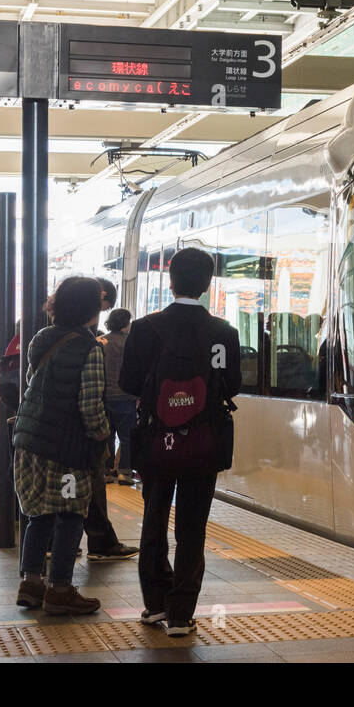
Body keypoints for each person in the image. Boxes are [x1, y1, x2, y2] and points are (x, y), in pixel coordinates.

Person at [121, 247, 241, 637]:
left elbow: (128, 383)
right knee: (193, 526)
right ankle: (181, 614)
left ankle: (155, 604)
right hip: (204, 441)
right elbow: (232, 384)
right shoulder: (224, 331)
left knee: (154, 518)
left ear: (170, 281)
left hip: (157, 438)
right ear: (207, 285)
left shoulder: (144, 328)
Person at [11, 277, 113, 615]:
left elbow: (32, 383)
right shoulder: (90, 348)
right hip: (65, 451)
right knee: (70, 515)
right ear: (92, 308)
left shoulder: (41, 338)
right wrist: (103, 437)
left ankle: (31, 582)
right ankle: (60, 589)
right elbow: (90, 405)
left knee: (38, 513)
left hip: (29, 442)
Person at [80, 278, 139, 561]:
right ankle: (125, 472)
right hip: (120, 400)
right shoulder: (91, 343)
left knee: (93, 480)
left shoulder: (98, 341)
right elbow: (91, 397)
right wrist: (98, 430)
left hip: (105, 402)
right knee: (124, 439)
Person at [101, 308, 137, 486]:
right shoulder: (132, 342)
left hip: (105, 396)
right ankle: (124, 473)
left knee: (107, 435)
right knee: (127, 437)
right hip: (126, 396)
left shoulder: (102, 341)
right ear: (125, 323)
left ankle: (106, 472)